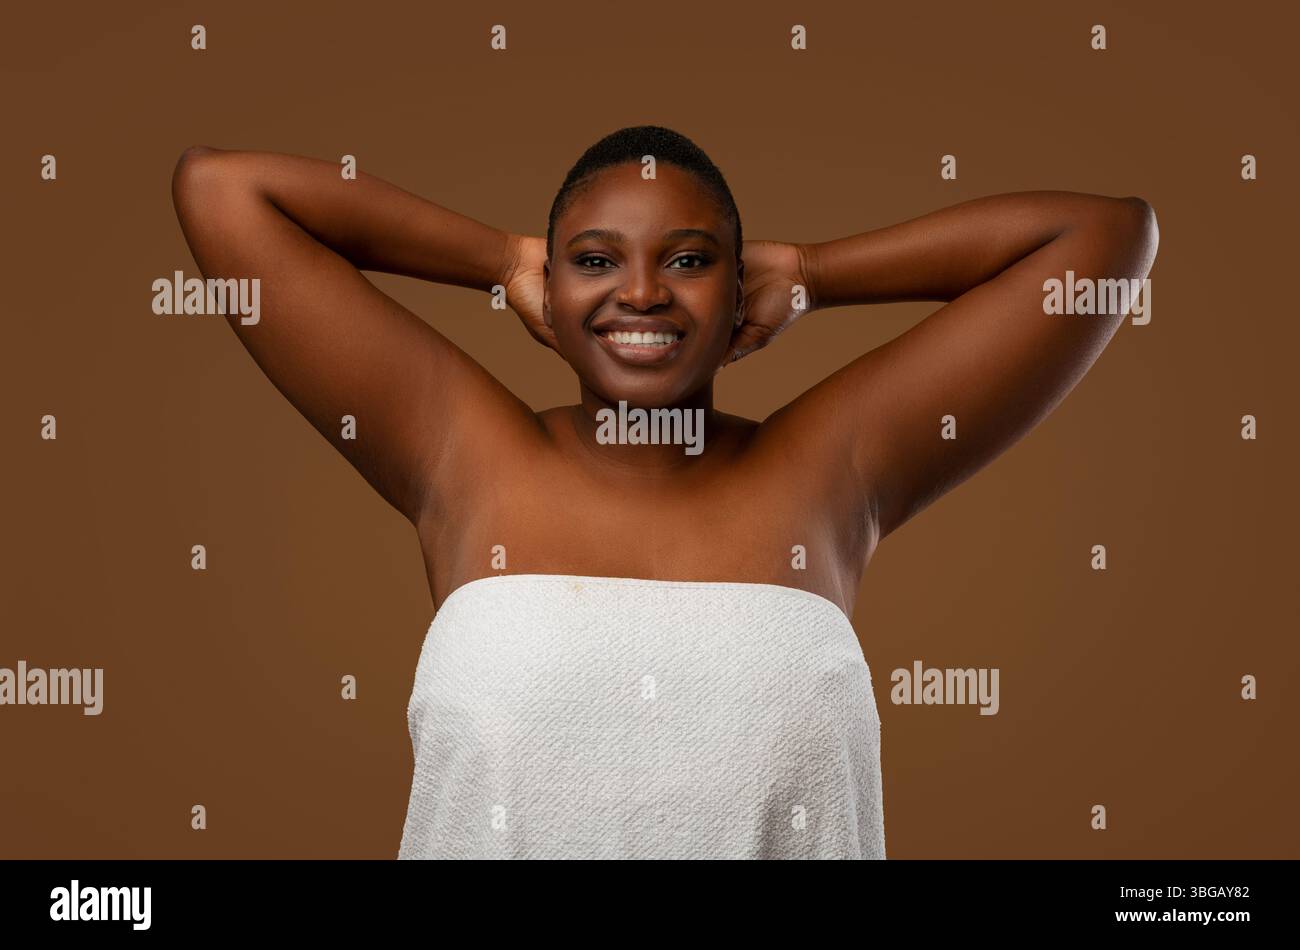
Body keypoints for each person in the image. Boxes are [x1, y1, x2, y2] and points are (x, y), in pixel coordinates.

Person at [171, 125, 1158, 859]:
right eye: (594, 261)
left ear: (741, 292)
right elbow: (224, 191)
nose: (641, 292)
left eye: (689, 260)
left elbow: (1103, 239)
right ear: (549, 295)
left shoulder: (829, 469)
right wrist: (498, 258)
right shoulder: (459, 450)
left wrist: (817, 271)